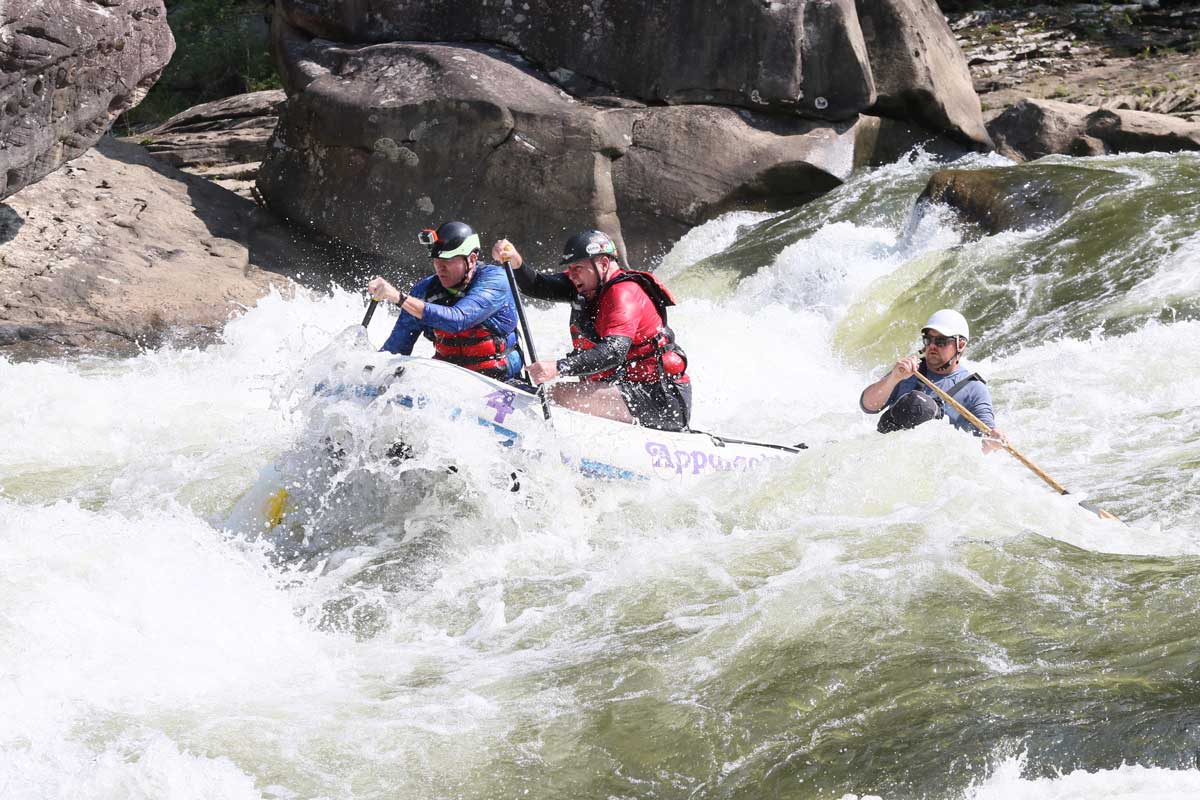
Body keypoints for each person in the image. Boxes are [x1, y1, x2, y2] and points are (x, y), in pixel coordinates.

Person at [491, 230, 692, 432]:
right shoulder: (587, 285)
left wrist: (559, 367)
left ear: (604, 264)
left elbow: (614, 351)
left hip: (661, 399)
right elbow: (538, 286)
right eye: (570, 268)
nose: (572, 274)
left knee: (555, 394)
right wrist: (516, 263)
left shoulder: (624, 293)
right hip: (624, 390)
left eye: (578, 267)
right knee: (554, 393)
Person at [366, 221, 524, 381]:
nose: (440, 267)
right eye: (436, 260)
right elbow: (395, 350)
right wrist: (368, 372)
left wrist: (398, 298)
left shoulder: (496, 280)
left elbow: (458, 319)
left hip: (501, 384)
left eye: (447, 261)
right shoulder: (424, 291)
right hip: (447, 385)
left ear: (472, 259)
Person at [860, 309, 1006, 452]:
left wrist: (994, 440)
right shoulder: (908, 371)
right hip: (886, 451)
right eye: (928, 340)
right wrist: (893, 378)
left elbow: (986, 443)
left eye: (941, 341)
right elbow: (868, 406)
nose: (932, 346)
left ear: (960, 345)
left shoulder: (974, 389)